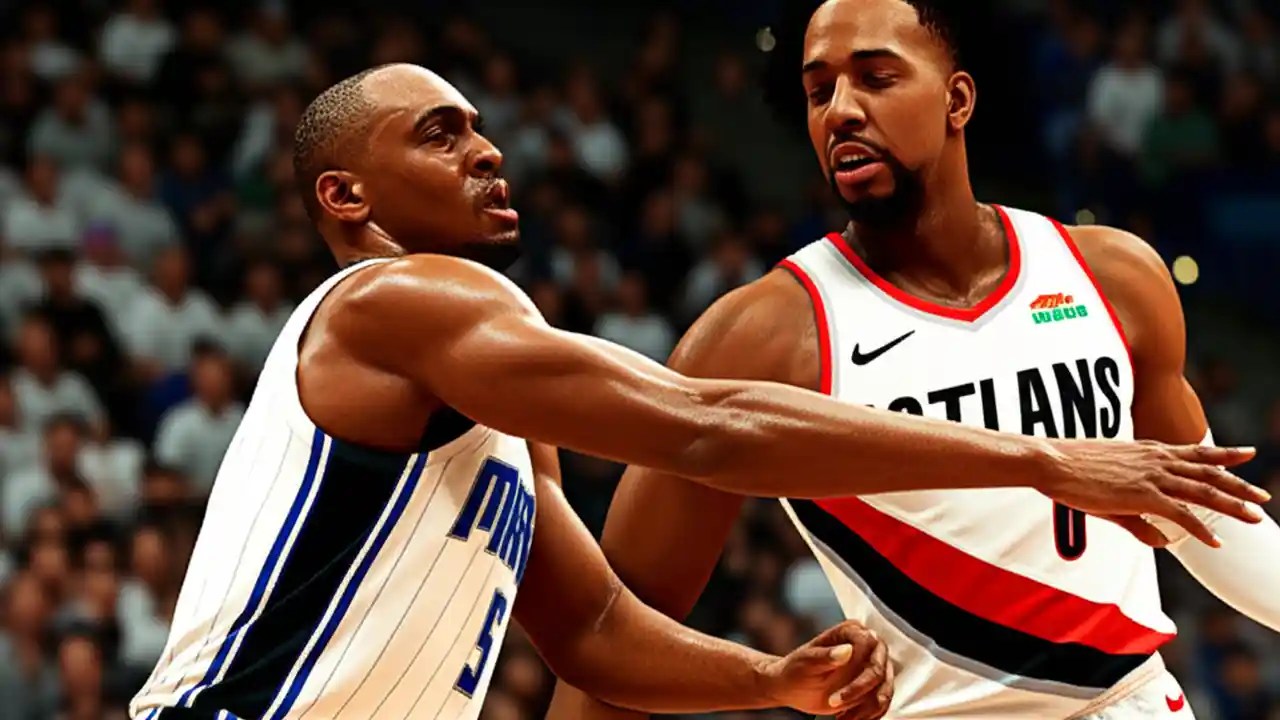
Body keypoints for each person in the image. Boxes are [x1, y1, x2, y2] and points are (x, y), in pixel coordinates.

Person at [130, 63, 1265, 720]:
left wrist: (769, 679)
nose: (487, 152)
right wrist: (1035, 458)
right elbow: (706, 424)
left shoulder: (487, 414)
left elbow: (594, 628)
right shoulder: (397, 302)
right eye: (439, 136)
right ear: (344, 192)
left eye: (481, 128)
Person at [546, 2, 1280, 720]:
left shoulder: (1114, 276)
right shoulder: (764, 336)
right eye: (818, 90)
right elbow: (617, 624)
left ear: (957, 98)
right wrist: (768, 677)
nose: (839, 110)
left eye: (875, 78)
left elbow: (1205, 518)